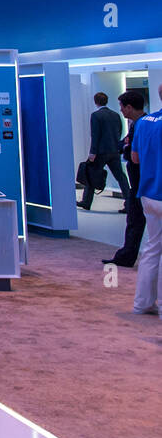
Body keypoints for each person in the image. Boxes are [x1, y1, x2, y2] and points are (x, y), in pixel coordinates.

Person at [105, 90, 148, 267]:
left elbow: (135, 155)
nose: (121, 110)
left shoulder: (142, 126)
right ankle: (126, 254)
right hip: (139, 182)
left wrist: (127, 150)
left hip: (142, 182)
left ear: (129, 107)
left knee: (136, 219)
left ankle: (127, 255)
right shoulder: (137, 125)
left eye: (122, 106)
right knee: (134, 219)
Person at [130, 87, 162, 315]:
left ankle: (142, 303)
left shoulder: (144, 122)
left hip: (149, 192)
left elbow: (135, 158)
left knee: (152, 247)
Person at [80, 91, 129, 211]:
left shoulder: (96, 115)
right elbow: (120, 132)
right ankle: (129, 203)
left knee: (91, 175)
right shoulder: (116, 115)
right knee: (121, 177)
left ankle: (86, 201)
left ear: (95, 102)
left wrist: (93, 152)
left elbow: (95, 135)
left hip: (101, 152)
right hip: (114, 150)